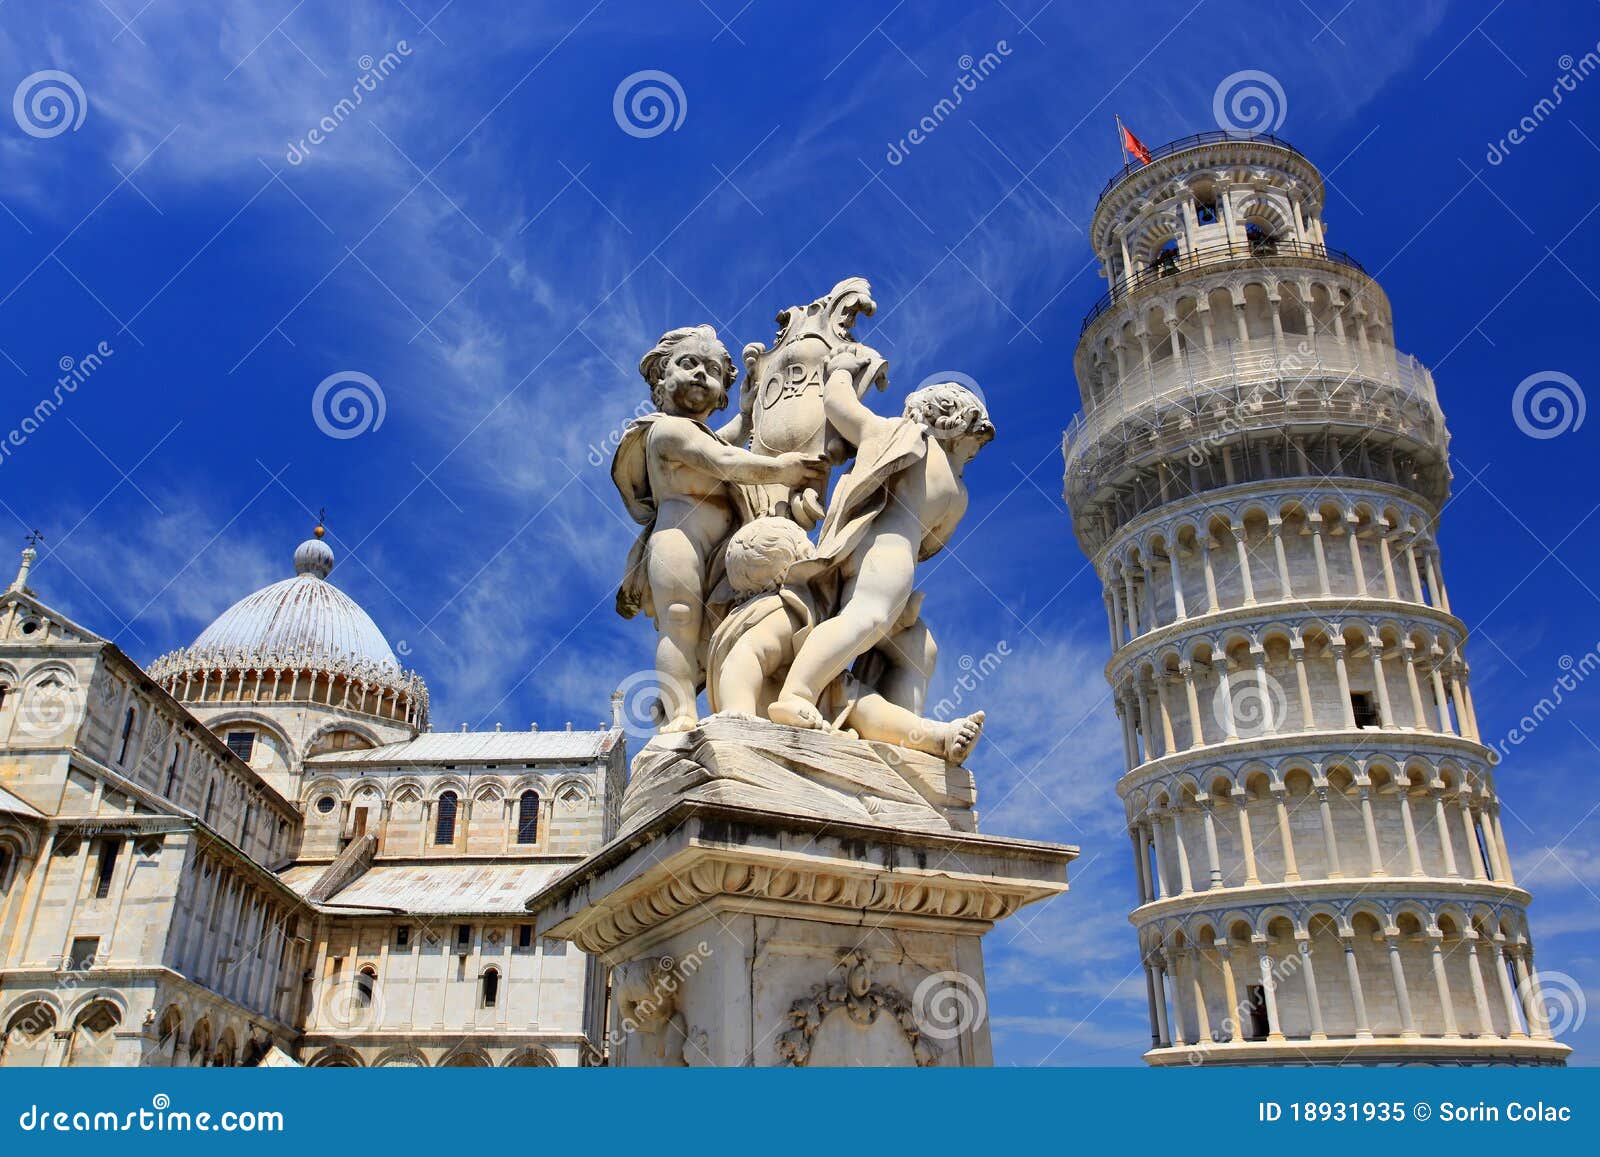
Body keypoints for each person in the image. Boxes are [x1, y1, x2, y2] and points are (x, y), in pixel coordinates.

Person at [767, 346, 995, 734]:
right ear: (956, 427)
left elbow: (841, 405)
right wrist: (842, 368)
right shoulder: (915, 448)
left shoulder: (901, 443)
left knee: (920, 649)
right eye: (973, 445)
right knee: (866, 617)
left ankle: (901, 736)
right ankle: (797, 693)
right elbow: (932, 544)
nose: (972, 455)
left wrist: (843, 371)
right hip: (889, 552)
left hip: (878, 554)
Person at [611, 325, 822, 733]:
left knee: (720, 626)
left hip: (723, 550)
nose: (700, 374)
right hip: (680, 541)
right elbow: (723, 461)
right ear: (661, 377)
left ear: (721, 391)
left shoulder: (699, 434)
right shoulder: (666, 430)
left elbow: (722, 443)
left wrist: (745, 415)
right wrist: (782, 469)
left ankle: (726, 696)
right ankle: (681, 715)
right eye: (688, 363)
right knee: (679, 624)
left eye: (711, 370)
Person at [708, 516, 984, 762]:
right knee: (865, 706)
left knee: (866, 704)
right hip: (773, 712)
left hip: (821, 698)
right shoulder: (780, 613)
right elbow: (746, 656)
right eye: (805, 545)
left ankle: (940, 737)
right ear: (791, 565)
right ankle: (937, 737)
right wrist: (738, 710)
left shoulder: (799, 610)